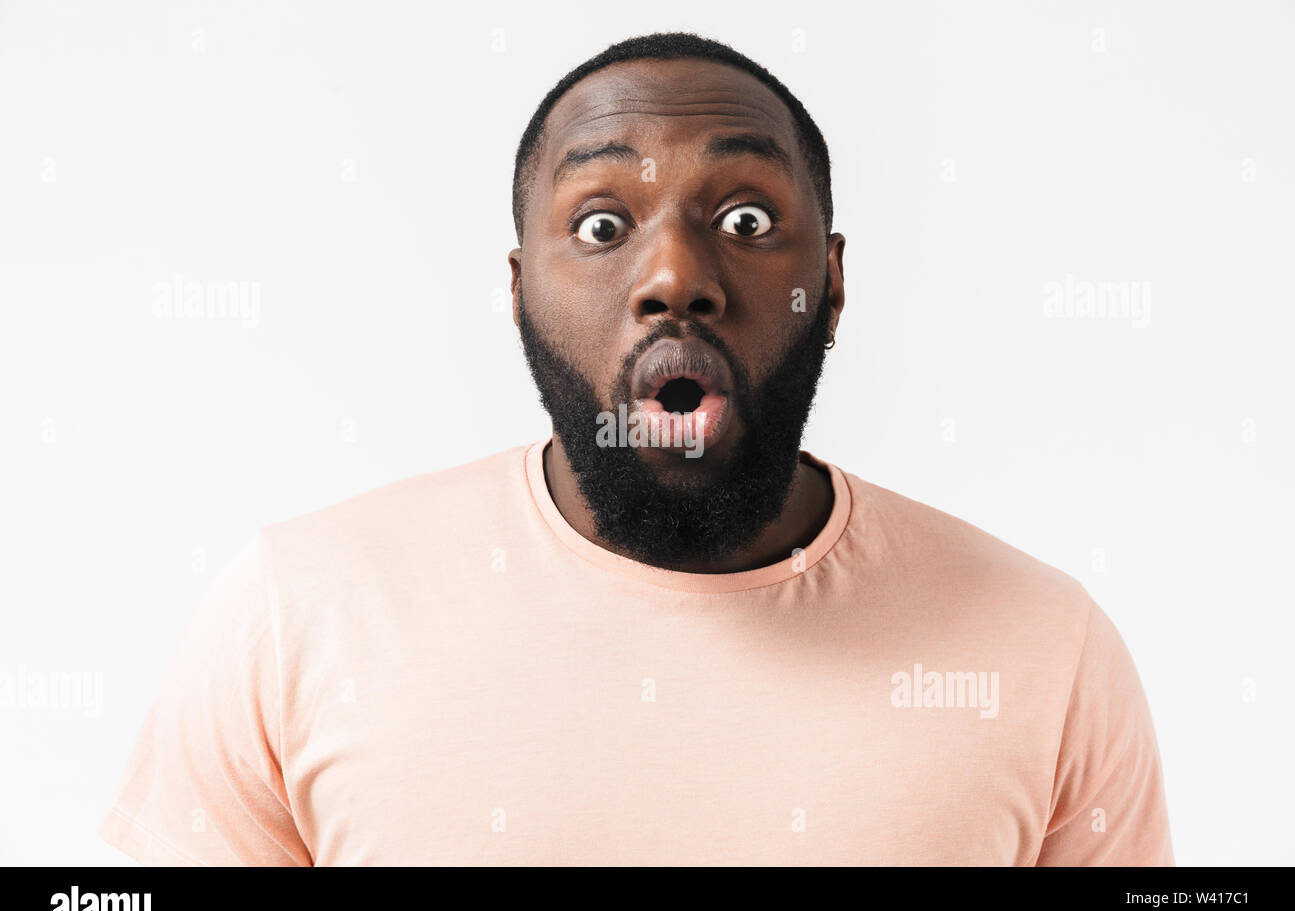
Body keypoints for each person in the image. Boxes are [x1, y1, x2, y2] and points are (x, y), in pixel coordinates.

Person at [100, 31, 1174, 865]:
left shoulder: (1045, 645)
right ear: (520, 293)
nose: (674, 274)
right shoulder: (297, 609)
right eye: (602, 224)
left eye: (748, 219)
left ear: (831, 283)